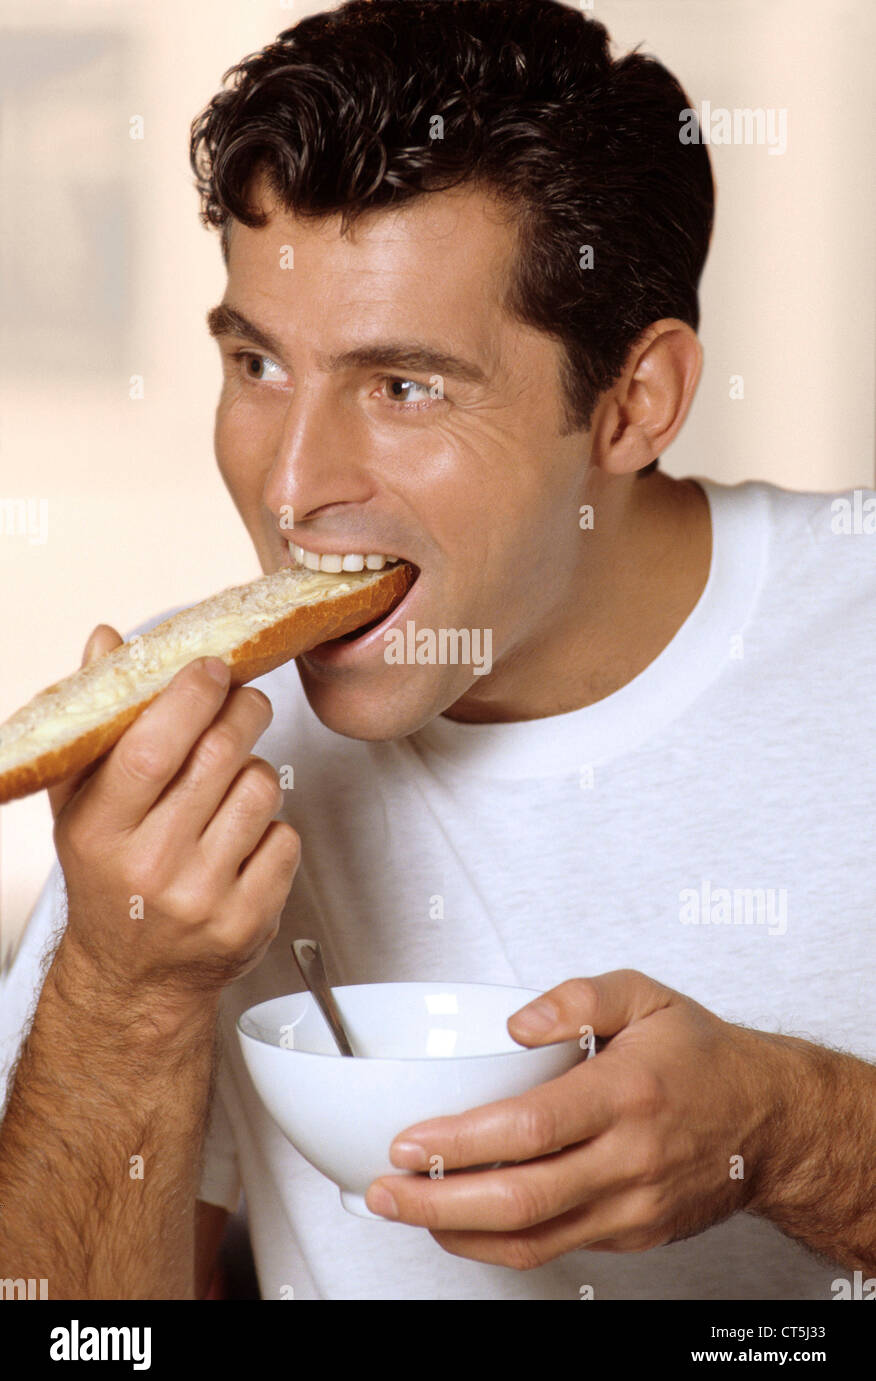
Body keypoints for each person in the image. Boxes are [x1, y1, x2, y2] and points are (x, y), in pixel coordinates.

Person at [1, 0, 873, 1301]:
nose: (293, 487)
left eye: (402, 386)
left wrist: (790, 1134)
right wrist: (130, 991)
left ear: (634, 405)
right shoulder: (187, 788)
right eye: (255, 362)